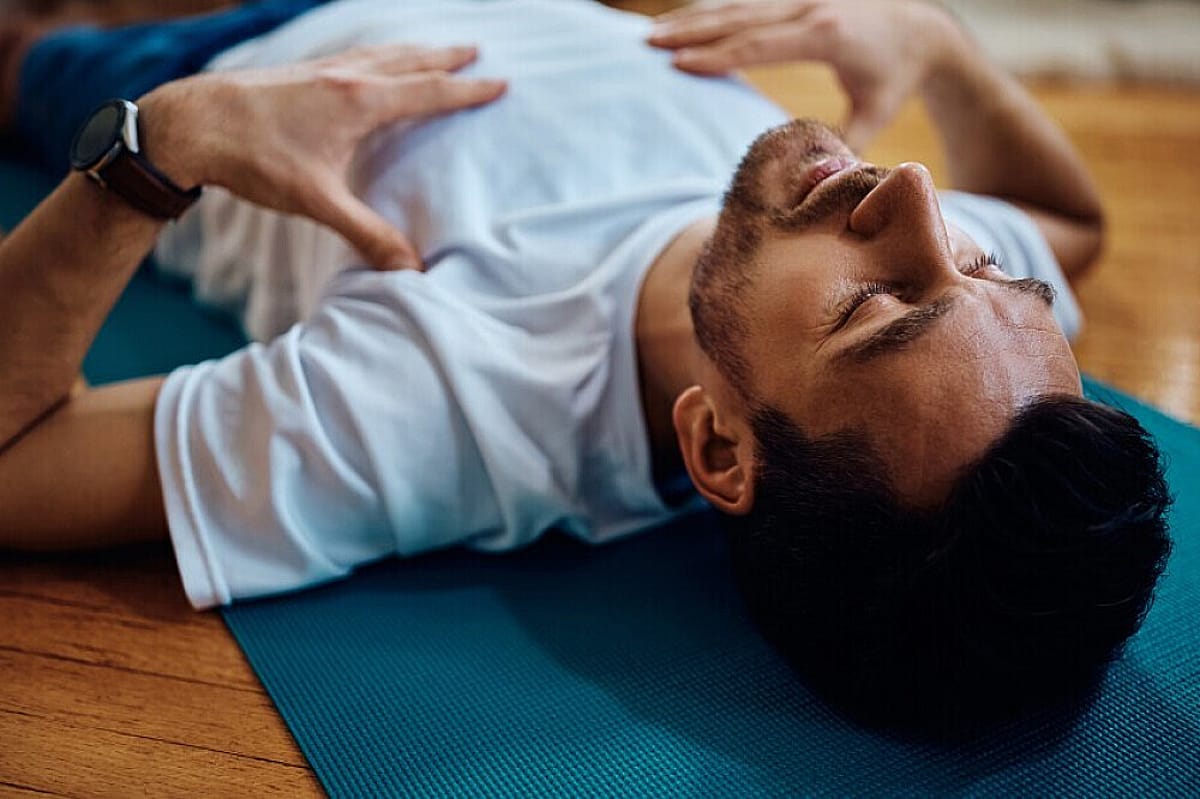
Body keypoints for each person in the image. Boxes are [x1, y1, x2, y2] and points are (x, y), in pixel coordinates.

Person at [0, 0, 1172, 733]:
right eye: (986, 272)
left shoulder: (460, 397)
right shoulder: (982, 338)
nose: (912, 193)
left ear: (717, 443)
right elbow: (1064, 220)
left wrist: (165, 146)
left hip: (233, 50)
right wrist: (939, 46)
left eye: (875, 302)